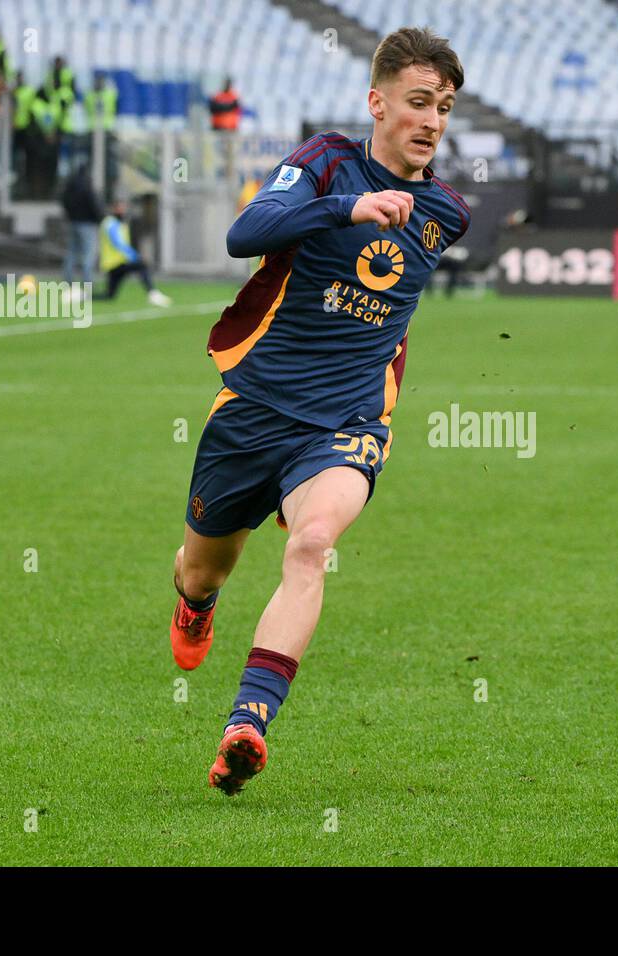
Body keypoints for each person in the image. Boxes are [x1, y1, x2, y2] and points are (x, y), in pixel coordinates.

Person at [169, 26, 469, 797]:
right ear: (378, 102)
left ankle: (246, 725)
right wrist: (348, 207)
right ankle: (195, 607)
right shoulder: (325, 161)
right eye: (417, 102)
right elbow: (245, 235)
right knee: (202, 569)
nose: (432, 120)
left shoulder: (446, 214)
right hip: (254, 409)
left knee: (311, 548)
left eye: (443, 106)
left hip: (346, 424)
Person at [97, 198, 170, 305]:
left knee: (109, 295)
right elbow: (117, 243)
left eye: (124, 208)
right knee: (142, 266)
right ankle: (152, 294)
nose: (123, 210)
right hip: (115, 263)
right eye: (120, 208)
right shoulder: (110, 223)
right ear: (114, 209)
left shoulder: (119, 223)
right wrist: (134, 256)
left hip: (118, 262)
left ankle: (81, 296)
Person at [60, 164, 103, 287]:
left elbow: (64, 201)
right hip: (87, 224)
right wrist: (99, 218)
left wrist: (70, 215)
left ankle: (67, 280)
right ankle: (87, 280)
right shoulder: (87, 187)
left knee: (71, 252)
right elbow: (94, 204)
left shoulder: (70, 186)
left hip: (73, 222)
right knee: (89, 253)